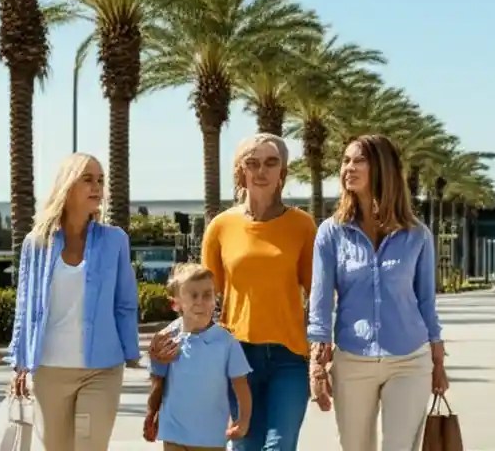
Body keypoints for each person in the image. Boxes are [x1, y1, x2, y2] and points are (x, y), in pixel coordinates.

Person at [148, 132, 317, 451]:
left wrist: (323, 349)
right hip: (236, 355)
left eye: (271, 162)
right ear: (241, 172)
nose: (261, 171)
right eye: (252, 163)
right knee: (246, 446)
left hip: (290, 357)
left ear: (284, 172)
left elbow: (317, 295)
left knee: (279, 446)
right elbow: (197, 298)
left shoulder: (303, 226)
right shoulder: (221, 227)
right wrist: (166, 337)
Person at [307, 134, 449, 451]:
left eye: (359, 160)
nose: (349, 168)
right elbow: (319, 302)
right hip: (353, 358)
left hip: (409, 359)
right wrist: (316, 362)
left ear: (381, 168)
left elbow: (426, 302)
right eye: (345, 161)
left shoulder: (416, 234)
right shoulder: (331, 232)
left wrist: (438, 358)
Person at [5, 152, 141, 451]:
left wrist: (131, 351)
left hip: (102, 368)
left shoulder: (115, 240)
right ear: (67, 186)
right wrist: (19, 362)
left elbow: (125, 302)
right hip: (50, 368)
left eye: (101, 180)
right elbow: (25, 305)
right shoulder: (36, 241)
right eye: (88, 179)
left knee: (91, 446)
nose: (97, 187)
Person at [144, 263, 252, 451]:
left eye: (207, 295)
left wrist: (243, 421)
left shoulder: (226, 342)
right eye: (193, 296)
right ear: (176, 303)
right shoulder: (166, 339)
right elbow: (157, 381)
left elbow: (241, 385)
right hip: (173, 433)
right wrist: (151, 413)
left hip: (210, 436)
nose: (200, 301)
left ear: (215, 299)